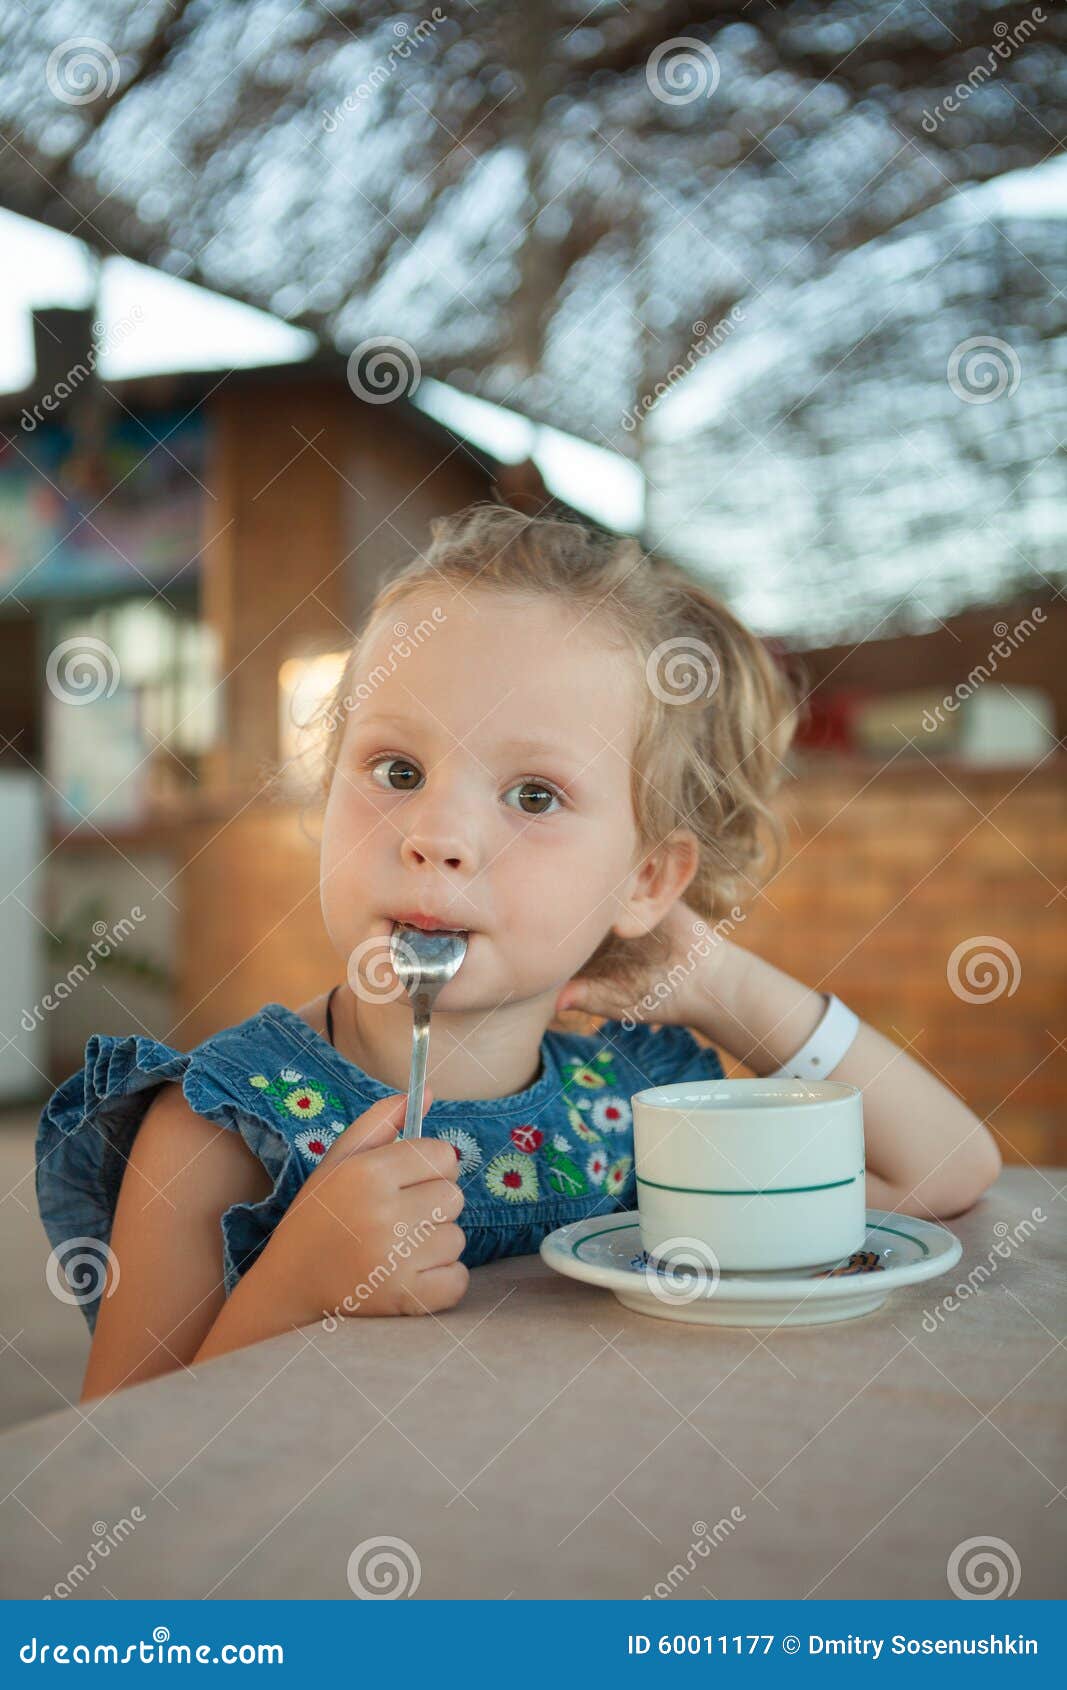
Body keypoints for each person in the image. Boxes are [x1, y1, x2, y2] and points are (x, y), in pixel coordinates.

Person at [35, 504, 1001, 1400]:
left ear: (646, 880)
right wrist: (293, 1288)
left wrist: (716, 981)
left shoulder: (637, 1112)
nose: (438, 835)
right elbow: (117, 1459)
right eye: (396, 771)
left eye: (533, 795)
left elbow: (945, 1169)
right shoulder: (220, 1124)